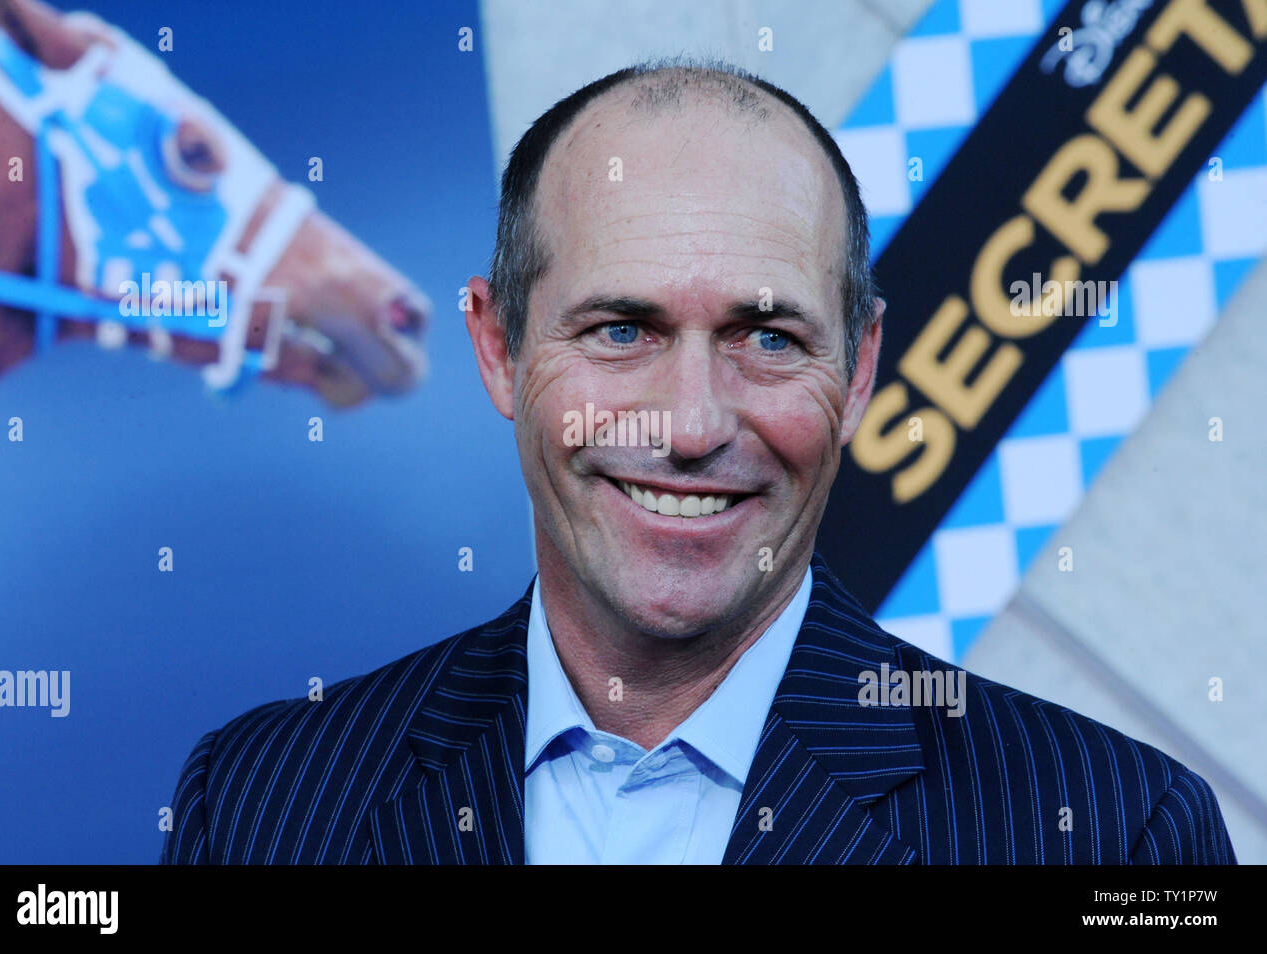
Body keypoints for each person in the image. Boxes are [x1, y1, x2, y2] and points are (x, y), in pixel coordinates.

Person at [162, 59, 1236, 865]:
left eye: (767, 339)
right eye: (620, 330)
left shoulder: (1113, 832)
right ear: (498, 349)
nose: (689, 423)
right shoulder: (259, 802)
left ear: (858, 370)